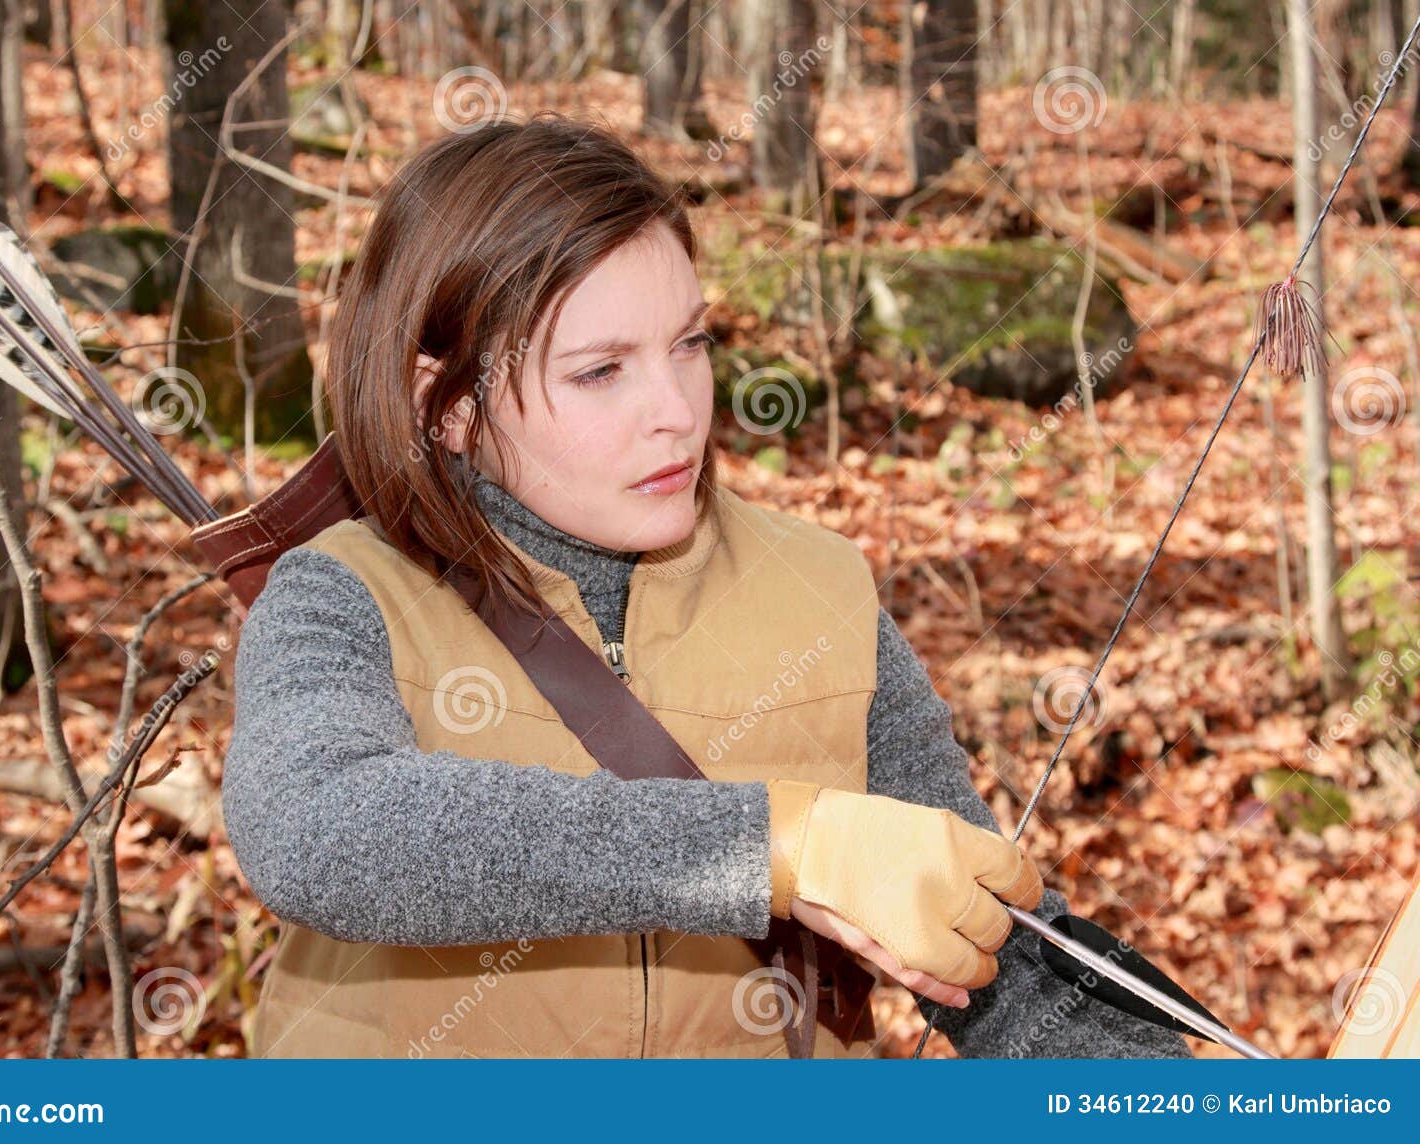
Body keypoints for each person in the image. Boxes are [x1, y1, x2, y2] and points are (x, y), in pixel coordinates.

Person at [221, 112, 1195, 1060]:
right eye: (601, 371)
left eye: (690, 344)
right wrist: (773, 847)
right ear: (448, 406)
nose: (678, 413)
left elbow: (985, 950)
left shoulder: (819, 593)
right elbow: (319, 833)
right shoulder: (339, 596)